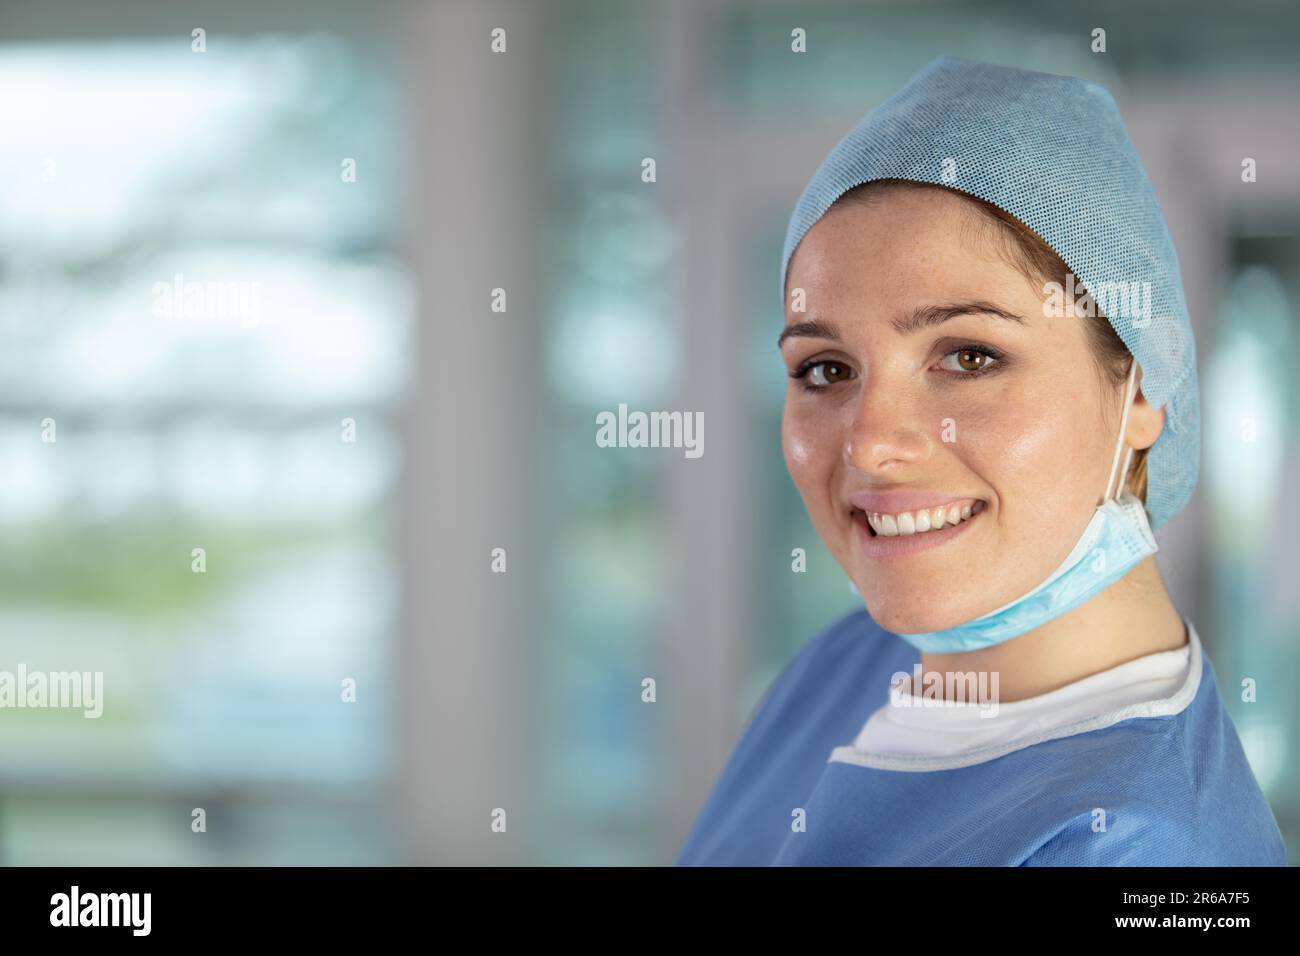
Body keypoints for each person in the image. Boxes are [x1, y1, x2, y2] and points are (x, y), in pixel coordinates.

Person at [675, 56, 1287, 866]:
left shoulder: (1148, 852)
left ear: (1142, 387)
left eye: (967, 357)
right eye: (825, 369)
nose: (869, 442)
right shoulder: (846, 663)